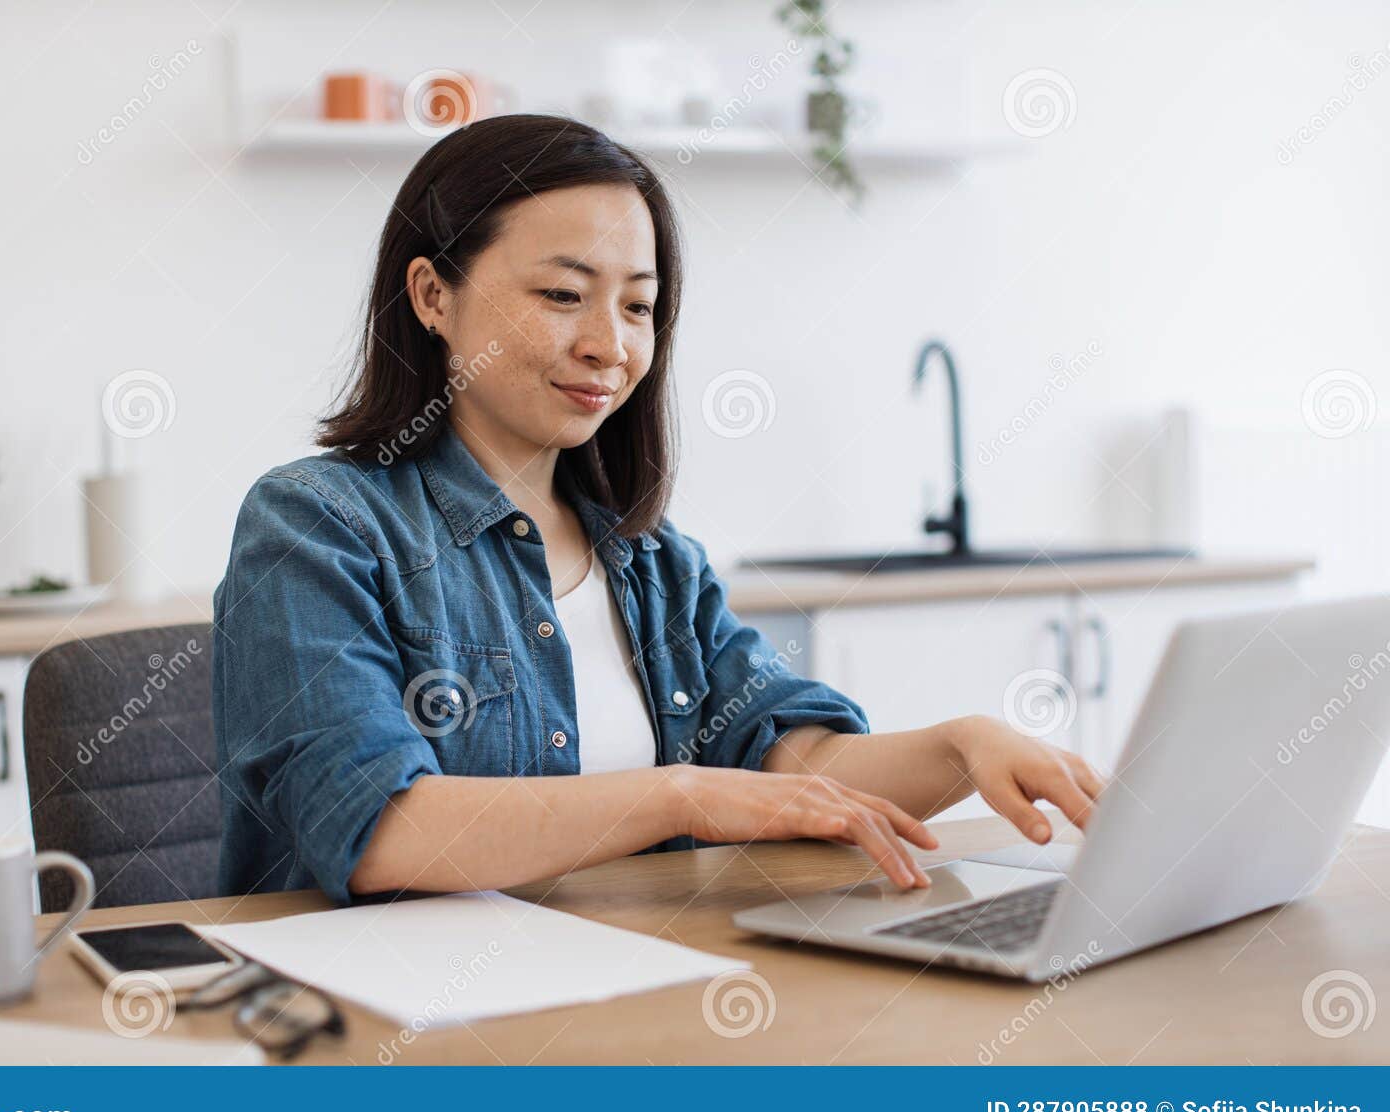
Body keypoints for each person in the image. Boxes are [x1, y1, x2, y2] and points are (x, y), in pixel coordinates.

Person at [212, 114, 1102, 909]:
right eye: (562, 295)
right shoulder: (316, 523)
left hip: (623, 992)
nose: (609, 344)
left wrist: (962, 746)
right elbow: (381, 828)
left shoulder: (653, 561)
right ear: (433, 296)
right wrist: (681, 793)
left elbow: (793, 766)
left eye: (637, 305)